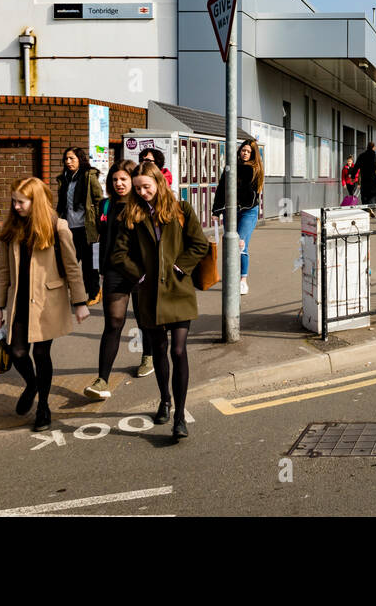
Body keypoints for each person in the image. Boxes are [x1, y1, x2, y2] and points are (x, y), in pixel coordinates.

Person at [113, 162, 209, 441]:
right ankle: (164, 400)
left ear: (159, 182)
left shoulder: (181, 210)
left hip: (178, 291)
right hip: (149, 295)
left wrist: (180, 267)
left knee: (178, 351)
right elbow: (119, 255)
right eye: (138, 187)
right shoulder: (130, 214)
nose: (143, 192)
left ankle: (179, 416)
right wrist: (140, 277)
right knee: (159, 349)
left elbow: (199, 244)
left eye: (147, 186)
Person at [0, 177, 89, 432]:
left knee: (41, 353)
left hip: (48, 301)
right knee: (17, 352)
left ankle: (44, 407)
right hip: (19, 302)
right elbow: (4, 271)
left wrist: (80, 302)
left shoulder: (58, 227)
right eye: (13, 201)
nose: (15, 206)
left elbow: (71, 266)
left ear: (35, 202)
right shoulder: (11, 228)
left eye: (20, 202)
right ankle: (33, 384)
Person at [84, 160, 152, 399]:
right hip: (114, 270)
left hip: (142, 270)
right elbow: (103, 239)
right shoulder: (106, 205)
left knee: (144, 319)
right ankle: (102, 380)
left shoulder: (142, 205)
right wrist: (100, 269)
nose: (119, 184)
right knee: (113, 323)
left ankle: (148, 356)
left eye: (123, 179)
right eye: (115, 180)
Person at [212, 139, 264, 295]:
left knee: (240, 244)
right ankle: (232, 277)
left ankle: (243, 280)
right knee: (231, 245)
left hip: (248, 211)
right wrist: (216, 211)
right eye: (243, 150)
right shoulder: (231, 167)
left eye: (248, 151)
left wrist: (232, 169)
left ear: (253, 154)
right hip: (231, 211)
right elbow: (221, 189)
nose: (245, 153)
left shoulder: (254, 170)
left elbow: (249, 192)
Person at [56, 147, 103, 306]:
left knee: (89, 265)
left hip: (86, 227)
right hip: (69, 227)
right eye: (66, 159)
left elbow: (98, 200)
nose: (68, 162)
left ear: (80, 159)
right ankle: (76, 293)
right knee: (69, 262)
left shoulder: (89, 176)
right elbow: (62, 204)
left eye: (72, 158)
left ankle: (95, 292)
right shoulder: (65, 178)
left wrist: (97, 225)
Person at [356, 141, 376, 211]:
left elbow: (356, 166)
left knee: (364, 194)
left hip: (364, 179)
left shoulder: (362, 155)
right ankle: (371, 206)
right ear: (373, 147)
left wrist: (353, 176)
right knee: (373, 194)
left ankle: (366, 208)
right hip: (373, 179)